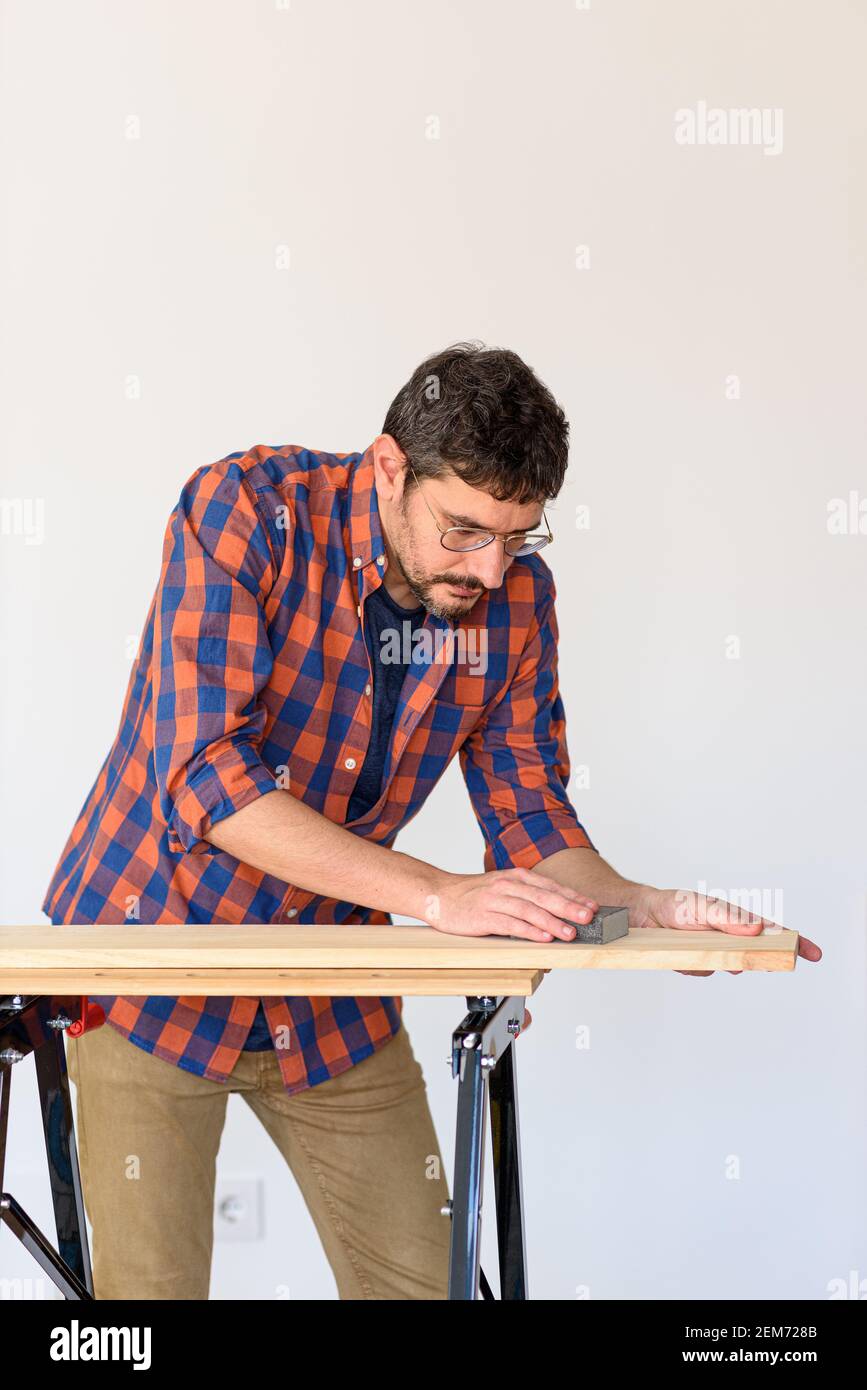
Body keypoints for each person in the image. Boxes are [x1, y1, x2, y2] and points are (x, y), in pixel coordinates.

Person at [43, 340, 821, 1300]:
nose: (490, 569)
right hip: (150, 964)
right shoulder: (247, 511)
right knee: (142, 1319)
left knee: (423, 1293)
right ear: (387, 469)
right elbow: (207, 778)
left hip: (328, 982)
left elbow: (530, 817)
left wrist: (645, 904)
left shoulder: (515, 604)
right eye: (462, 529)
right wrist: (437, 897)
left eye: (517, 535)